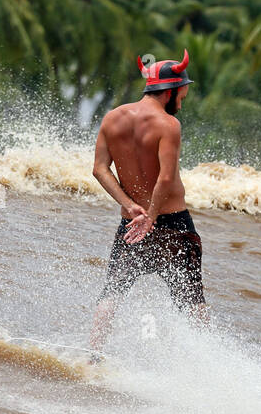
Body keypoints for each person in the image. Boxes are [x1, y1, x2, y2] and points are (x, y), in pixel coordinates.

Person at [87, 50, 208, 357]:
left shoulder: (112, 118)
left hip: (131, 223)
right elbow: (165, 179)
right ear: (169, 91)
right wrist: (151, 217)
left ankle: (93, 355)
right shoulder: (168, 125)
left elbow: (99, 169)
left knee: (112, 291)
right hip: (173, 224)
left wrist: (129, 207)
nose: (183, 98)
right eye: (182, 92)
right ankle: (205, 362)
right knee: (191, 298)